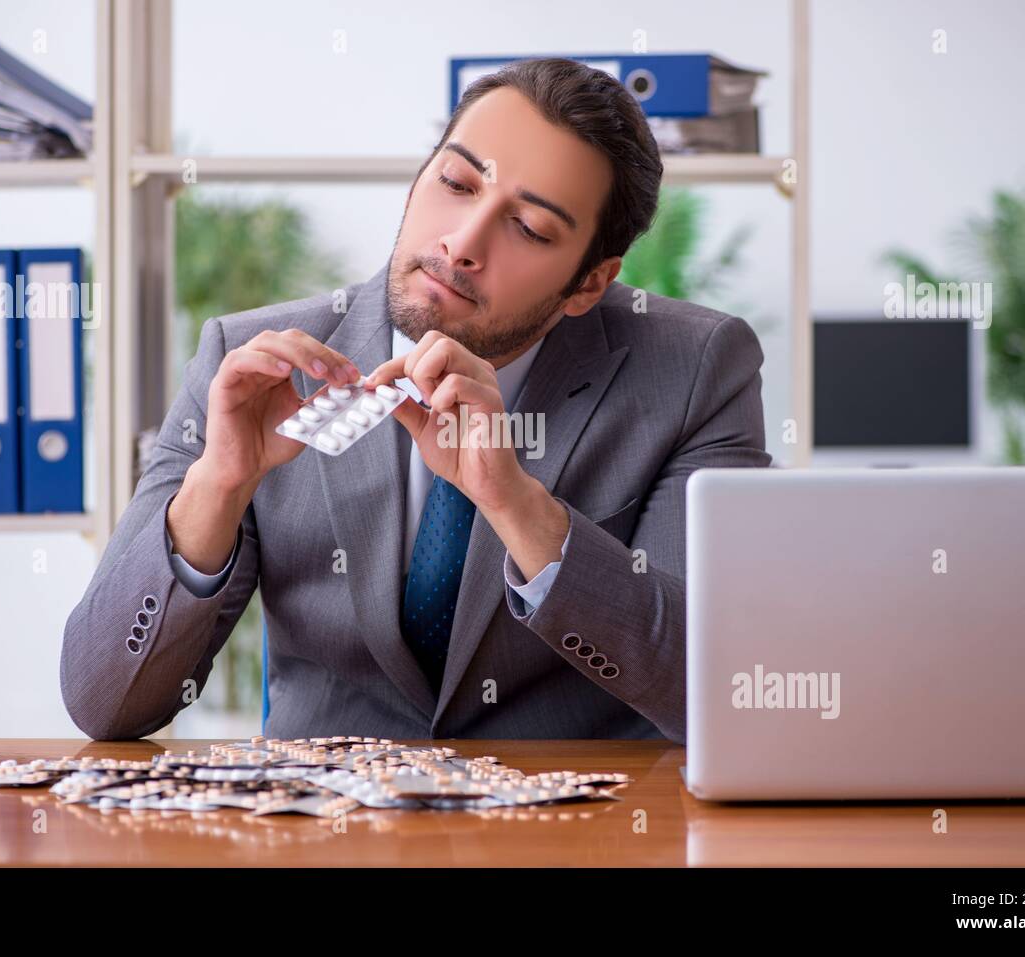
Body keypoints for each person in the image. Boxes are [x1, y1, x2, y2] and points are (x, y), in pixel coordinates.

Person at [61, 57, 771, 743]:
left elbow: (714, 692)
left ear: (589, 283)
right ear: (416, 181)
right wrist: (216, 486)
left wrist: (517, 505)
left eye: (528, 228)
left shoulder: (696, 370)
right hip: (325, 835)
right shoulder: (247, 364)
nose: (463, 243)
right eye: (457, 183)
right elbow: (104, 702)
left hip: (577, 833)